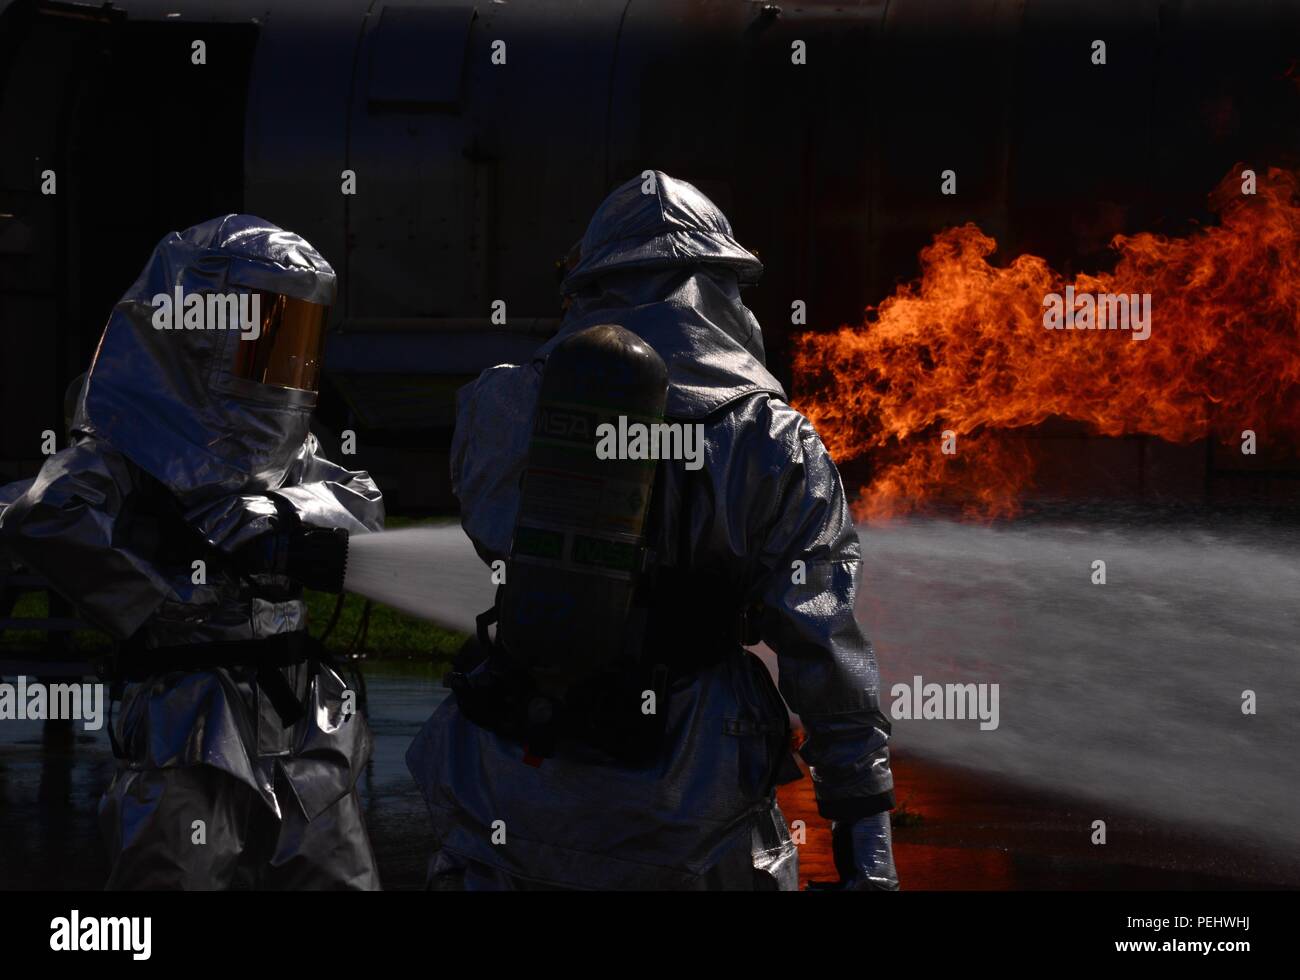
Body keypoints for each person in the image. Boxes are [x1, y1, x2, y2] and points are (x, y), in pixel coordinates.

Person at [407, 171, 898, 890]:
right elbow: (825, 652)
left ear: (593, 284)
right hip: (686, 794)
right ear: (720, 288)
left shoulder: (500, 404)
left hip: (509, 780)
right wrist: (868, 851)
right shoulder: (769, 437)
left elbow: (499, 538)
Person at [0, 215, 384, 890]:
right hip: (190, 713)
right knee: (173, 877)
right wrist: (160, 602)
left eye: (297, 333)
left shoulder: (286, 442)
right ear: (204, 331)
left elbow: (364, 509)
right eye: (268, 330)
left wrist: (278, 516)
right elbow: (41, 513)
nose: (287, 357)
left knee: (333, 875)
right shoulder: (133, 430)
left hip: (300, 715)